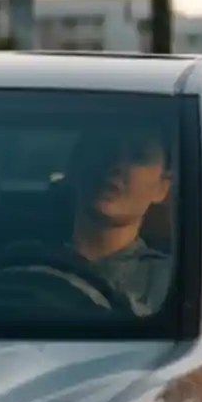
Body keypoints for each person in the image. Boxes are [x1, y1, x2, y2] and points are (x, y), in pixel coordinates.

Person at [68, 130, 175, 317]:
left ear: (162, 187)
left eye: (138, 156)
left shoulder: (177, 280)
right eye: (104, 148)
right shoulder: (24, 259)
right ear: (75, 163)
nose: (116, 164)